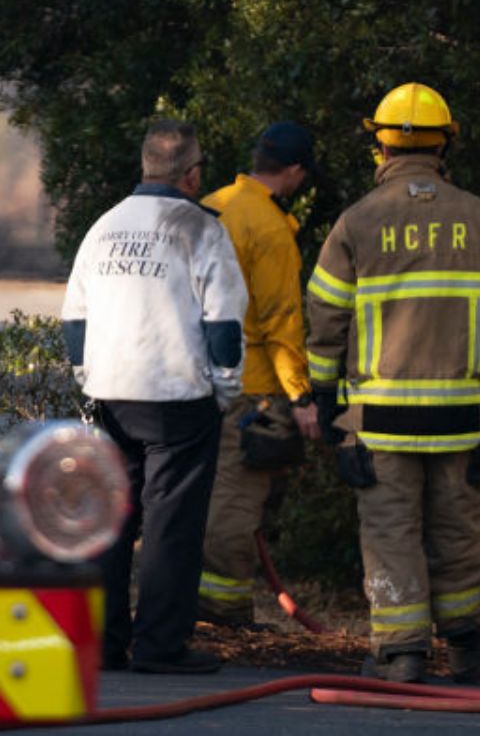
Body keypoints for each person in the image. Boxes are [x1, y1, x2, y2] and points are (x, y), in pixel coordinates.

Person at [305, 83, 480, 684]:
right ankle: (468, 640)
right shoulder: (479, 216)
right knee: (457, 526)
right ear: (446, 146)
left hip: (379, 418)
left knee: (391, 530)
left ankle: (402, 653)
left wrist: (323, 401)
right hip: (460, 416)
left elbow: (322, 319)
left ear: (380, 148)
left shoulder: (356, 223)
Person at [62, 119, 247, 675]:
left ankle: (103, 641)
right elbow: (223, 326)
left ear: (145, 166)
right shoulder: (201, 231)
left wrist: (87, 377)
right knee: (171, 523)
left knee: (113, 519)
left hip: (110, 396)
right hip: (177, 398)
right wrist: (225, 390)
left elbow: (74, 318)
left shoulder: (104, 227)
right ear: (192, 175)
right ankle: (161, 646)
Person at [195, 121, 323, 628]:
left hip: (194, 379)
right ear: (293, 171)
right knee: (237, 499)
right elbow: (281, 323)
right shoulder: (269, 229)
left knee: (202, 493)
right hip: (251, 387)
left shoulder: (211, 204)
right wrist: (302, 396)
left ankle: (197, 599)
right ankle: (222, 608)